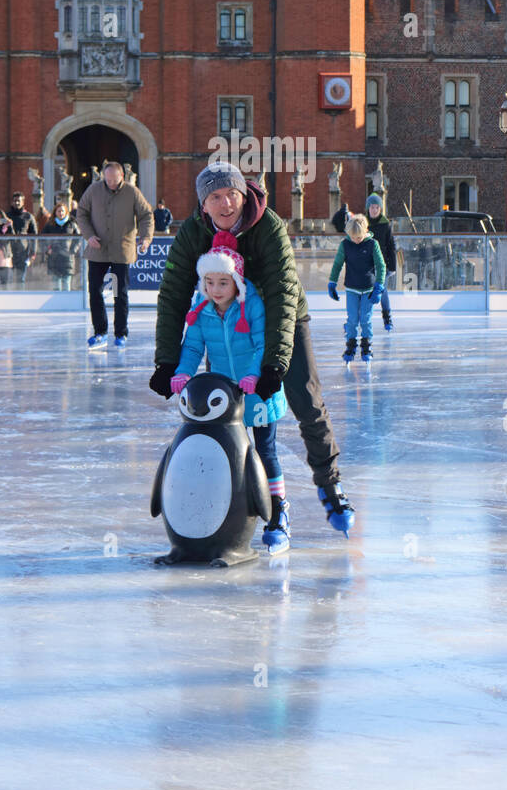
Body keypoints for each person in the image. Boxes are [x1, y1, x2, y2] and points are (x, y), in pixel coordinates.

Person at [150, 163, 355, 535]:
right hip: (226, 325)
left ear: (243, 194)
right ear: (204, 205)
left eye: (231, 193)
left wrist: (274, 363)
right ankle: (248, 501)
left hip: (283, 321)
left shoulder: (268, 226)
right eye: (215, 197)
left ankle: (330, 484)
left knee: (306, 402)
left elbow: (281, 294)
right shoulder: (194, 232)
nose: (226, 203)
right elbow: (173, 294)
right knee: (231, 418)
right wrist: (167, 362)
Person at [171, 232, 291, 551]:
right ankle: (234, 512)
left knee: (264, 452)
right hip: (226, 399)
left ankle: (278, 513)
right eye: (209, 282)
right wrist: (184, 371)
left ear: (236, 280)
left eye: (222, 283)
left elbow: (262, 344)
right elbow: (194, 344)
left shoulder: (251, 304)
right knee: (232, 457)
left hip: (257, 393)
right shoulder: (201, 308)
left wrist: (254, 374)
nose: (215, 290)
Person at [77, 161, 154, 348]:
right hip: (98, 251)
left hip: (121, 251)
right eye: (107, 179)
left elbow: (146, 215)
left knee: (120, 293)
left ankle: (121, 333)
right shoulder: (94, 190)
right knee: (95, 291)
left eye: (114, 179)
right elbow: (81, 213)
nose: (110, 183)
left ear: (122, 177)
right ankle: (100, 332)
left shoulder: (132, 192)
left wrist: (145, 238)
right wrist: (88, 236)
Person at [328, 214, 386, 363]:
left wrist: (379, 286)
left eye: (359, 237)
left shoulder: (373, 244)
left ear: (365, 231)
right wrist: (332, 282)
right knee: (352, 319)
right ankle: (351, 345)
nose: (356, 240)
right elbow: (337, 264)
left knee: (365, 320)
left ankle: (367, 346)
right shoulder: (345, 245)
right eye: (353, 237)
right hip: (352, 289)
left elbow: (381, 266)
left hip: (368, 289)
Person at [365, 193, 397, 332]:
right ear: (368, 208)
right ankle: (363, 318)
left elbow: (391, 246)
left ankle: (387, 317)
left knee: (381, 291)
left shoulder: (386, 225)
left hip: (382, 265)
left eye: (377, 207)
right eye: (372, 207)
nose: (374, 210)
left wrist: (392, 266)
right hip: (366, 265)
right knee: (366, 291)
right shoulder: (363, 224)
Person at [41, 202, 82, 290]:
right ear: (55, 212)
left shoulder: (72, 224)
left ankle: (67, 303)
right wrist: (47, 249)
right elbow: (42, 239)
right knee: (56, 285)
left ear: (66, 212)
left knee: (66, 284)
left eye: (62, 211)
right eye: (59, 211)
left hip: (67, 259)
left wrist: (72, 250)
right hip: (54, 258)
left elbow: (78, 239)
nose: (61, 213)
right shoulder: (49, 225)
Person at [7, 192, 37, 287]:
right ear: (12, 202)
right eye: (15, 201)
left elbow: (34, 236)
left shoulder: (28, 216)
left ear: (23, 202)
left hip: (23, 252)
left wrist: (33, 252)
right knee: (9, 279)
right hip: (9, 252)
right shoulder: (7, 216)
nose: (17, 203)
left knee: (21, 280)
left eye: (19, 201)